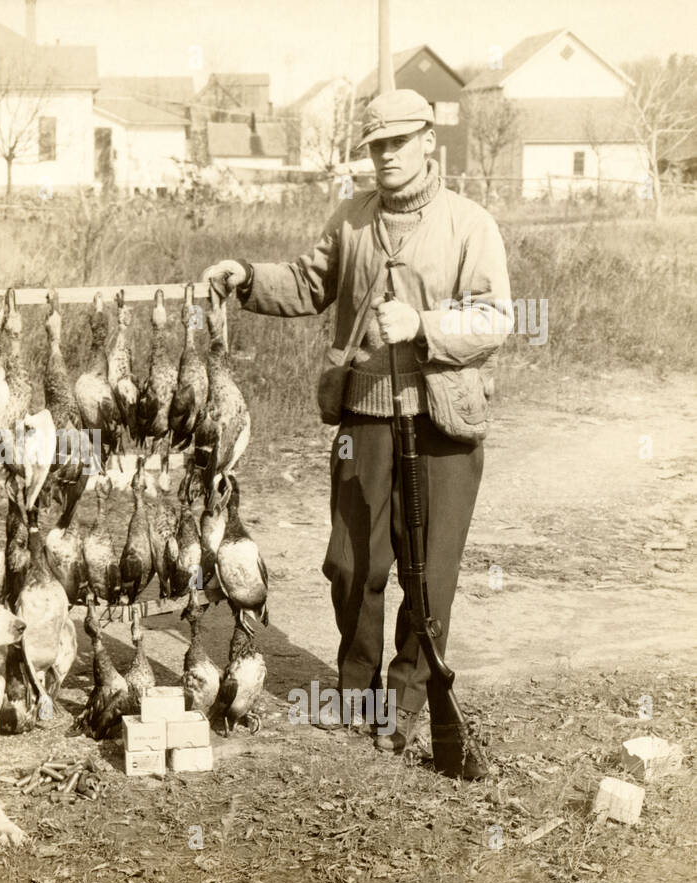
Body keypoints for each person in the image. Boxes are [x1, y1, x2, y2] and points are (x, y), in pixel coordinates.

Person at [203, 90, 513, 755]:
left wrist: (426, 326)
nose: (387, 155)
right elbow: (308, 283)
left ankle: (402, 702)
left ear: (430, 141)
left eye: (399, 142)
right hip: (364, 421)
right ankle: (355, 691)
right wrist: (247, 277)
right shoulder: (351, 220)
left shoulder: (470, 225)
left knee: (429, 573)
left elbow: (495, 320)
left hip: (442, 424)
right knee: (350, 564)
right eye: (376, 145)